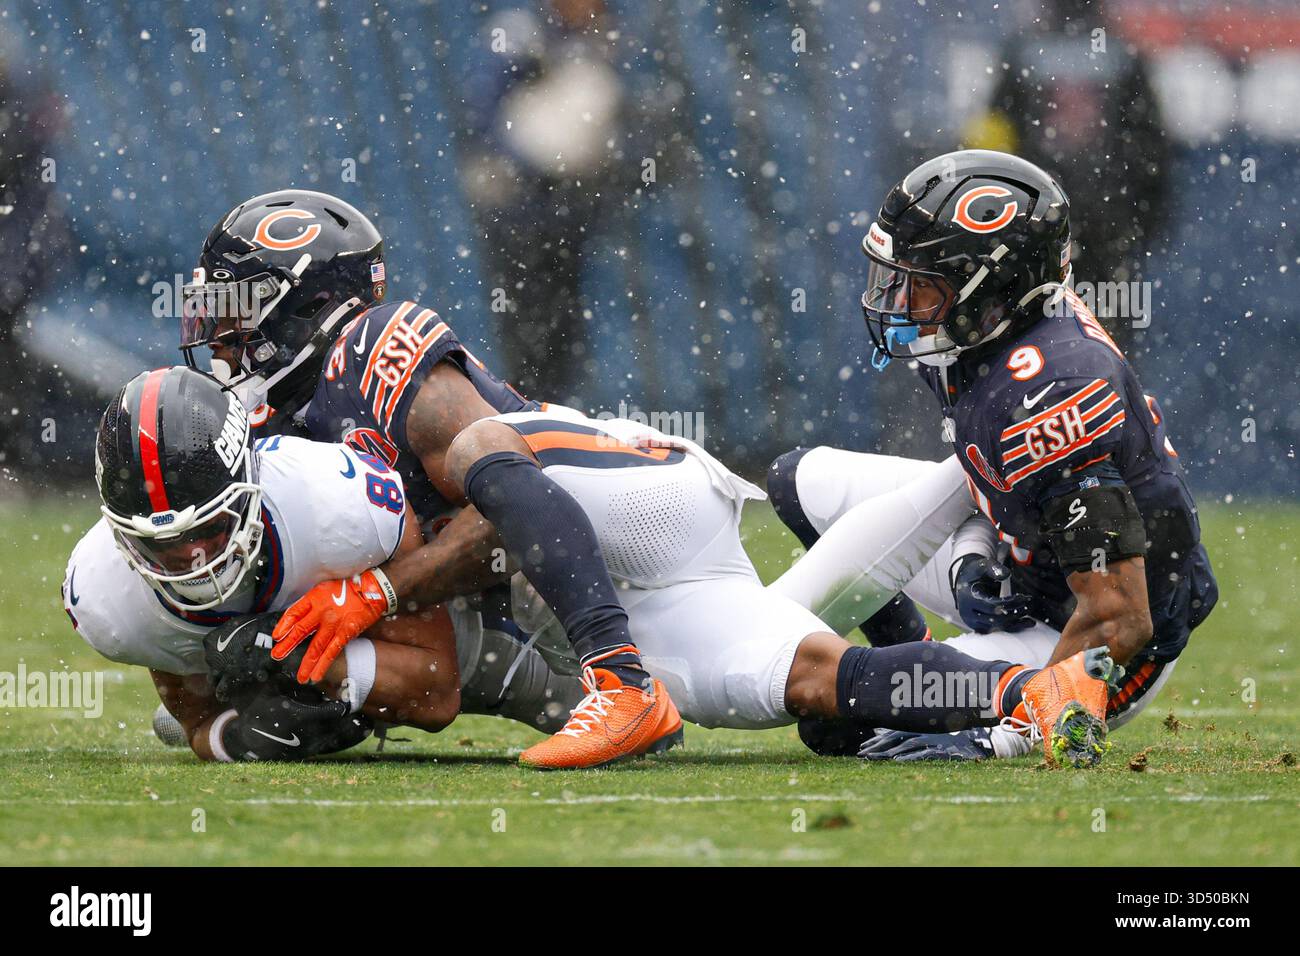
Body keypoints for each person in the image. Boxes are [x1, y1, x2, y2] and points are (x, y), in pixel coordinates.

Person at [178, 189, 680, 768]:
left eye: (237, 310)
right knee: (229, 676)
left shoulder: (371, 352)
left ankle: (620, 678)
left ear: (311, 303)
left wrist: (374, 594)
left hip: (578, 598)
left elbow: (513, 513)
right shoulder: (275, 407)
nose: (216, 334)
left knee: (774, 680)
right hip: (474, 618)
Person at [771, 149, 1217, 764]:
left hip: (1084, 636)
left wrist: (1005, 735)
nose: (897, 299)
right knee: (801, 482)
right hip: (1027, 572)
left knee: (836, 708)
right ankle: (914, 645)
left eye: (921, 283)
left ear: (991, 288)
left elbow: (1121, 619)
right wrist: (971, 557)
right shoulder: (983, 332)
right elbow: (995, 475)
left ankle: (968, 688)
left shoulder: (1052, 387)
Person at [65, 366, 576, 761]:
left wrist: (316, 664)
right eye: (160, 546)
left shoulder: (338, 502)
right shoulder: (109, 601)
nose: (190, 560)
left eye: (207, 530)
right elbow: (197, 723)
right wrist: (237, 739)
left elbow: (437, 687)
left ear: (250, 485)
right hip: (366, 632)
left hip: (466, 620)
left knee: (606, 700)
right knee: (193, 699)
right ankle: (258, 686)